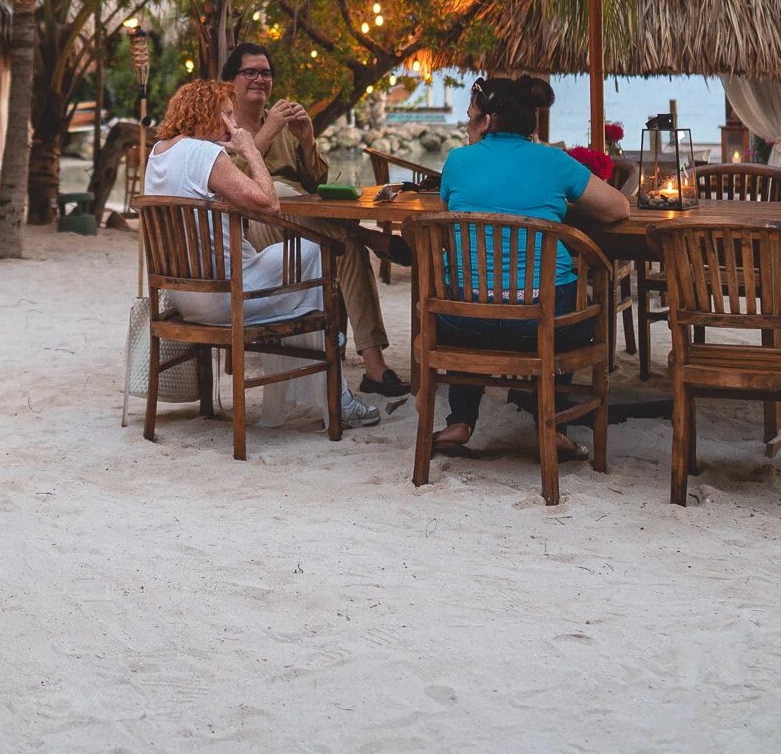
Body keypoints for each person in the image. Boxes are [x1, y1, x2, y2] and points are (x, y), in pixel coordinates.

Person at [143, 78, 382, 428]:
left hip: (183, 297)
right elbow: (269, 203)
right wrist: (251, 150)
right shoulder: (205, 154)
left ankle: (322, 382)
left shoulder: (158, 154)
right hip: (225, 297)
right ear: (205, 114)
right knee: (316, 254)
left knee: (298, 263)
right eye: (226, 115)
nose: (234, 124)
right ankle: (335, 392)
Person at [428, 74, 631, 456]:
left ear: (487, 121)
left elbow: (449, 210)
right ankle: (550, 424)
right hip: (542, 322)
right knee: (569, 298)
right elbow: (618, 207)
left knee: (477, 292)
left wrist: (475, 148)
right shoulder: (554, 162)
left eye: (472, 116)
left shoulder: (457, 161)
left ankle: (460, 421)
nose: (467, 122)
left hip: (462, 320)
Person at [220, 41, 405, 400]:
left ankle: (375, 368)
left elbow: (314, 182)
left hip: (303, 216)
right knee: (276, 190)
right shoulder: (222, 128)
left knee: (347, 246)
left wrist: (306, 141)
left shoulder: (284, 122)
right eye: (250, 72)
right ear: (231, 81)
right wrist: (268, 131)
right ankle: (372, 238)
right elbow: (232, 181)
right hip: (255, 221)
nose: (260, 79)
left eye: (266, 73)